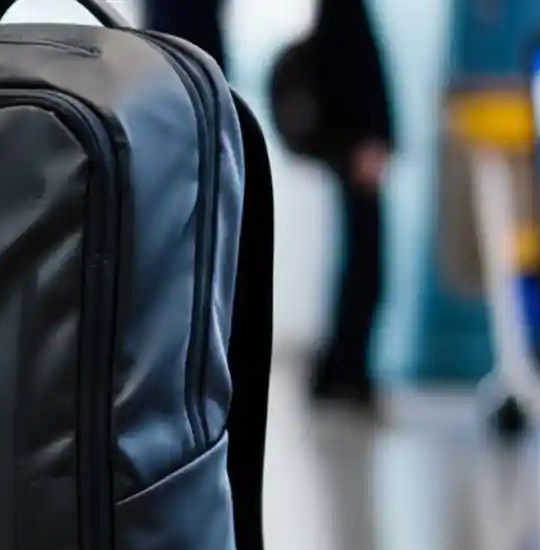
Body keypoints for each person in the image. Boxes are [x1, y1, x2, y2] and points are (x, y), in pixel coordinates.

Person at [147, 0, 395, 409]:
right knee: (364, 260)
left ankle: (341, 369)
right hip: (345, 137)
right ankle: (342, 370)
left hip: (199, 107)